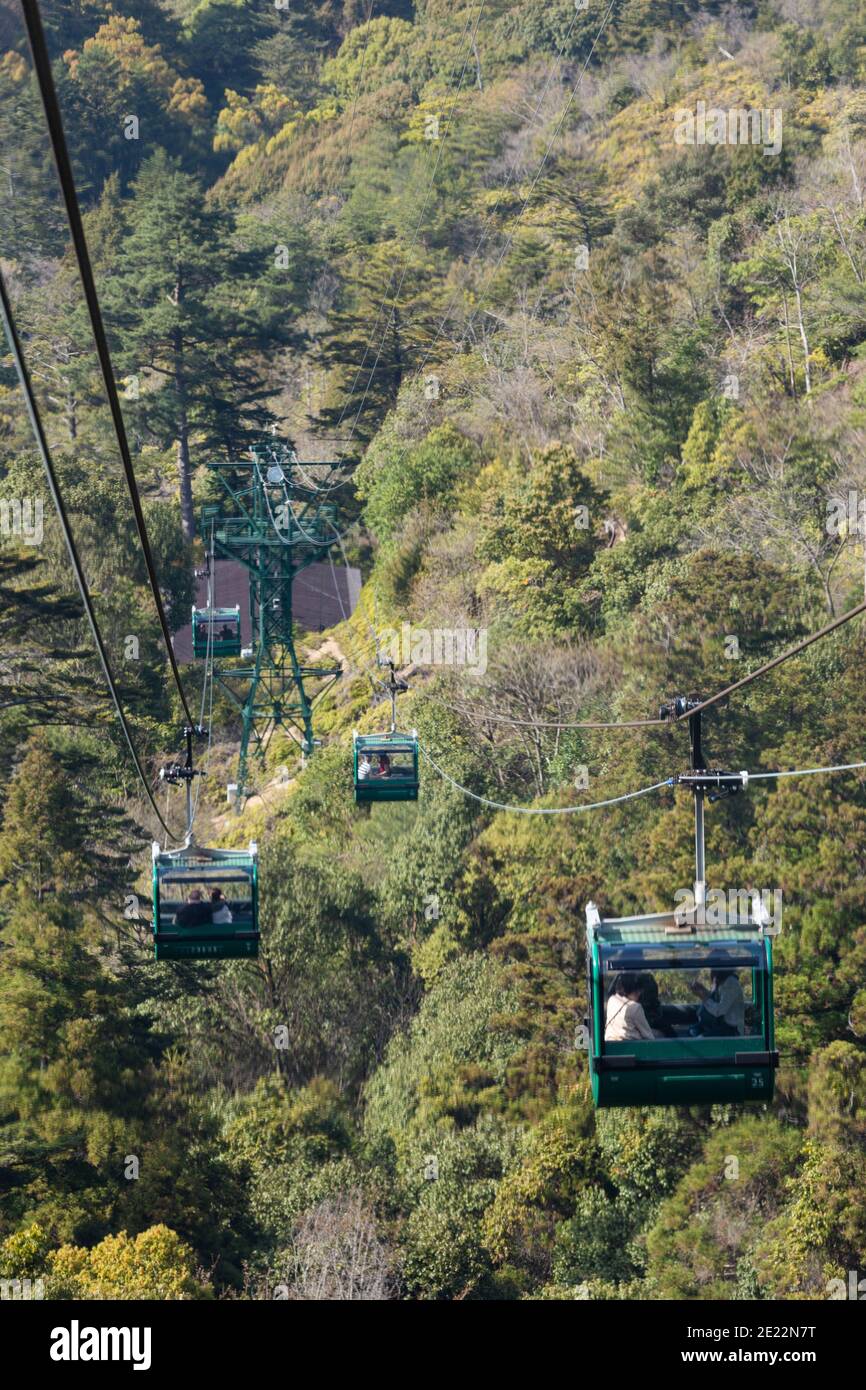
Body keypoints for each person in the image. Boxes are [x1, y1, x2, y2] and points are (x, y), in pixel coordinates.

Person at [691, 968, 745, 1036]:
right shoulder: (720, 980)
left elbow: (719, 1011)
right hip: (718, 1024)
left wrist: (703, 997)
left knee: (700, 1039)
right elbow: (715, 999)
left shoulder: (731, 983)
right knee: (693, 1030)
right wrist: (703, 990)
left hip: (732, 1029)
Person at [605, 971, 656, 1042]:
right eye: (638, 990)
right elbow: (648, 1036)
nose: (640, 993)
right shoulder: (635, 1007)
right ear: (631, 990)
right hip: (632, 1046)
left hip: (610, 1043)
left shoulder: (612, 999)